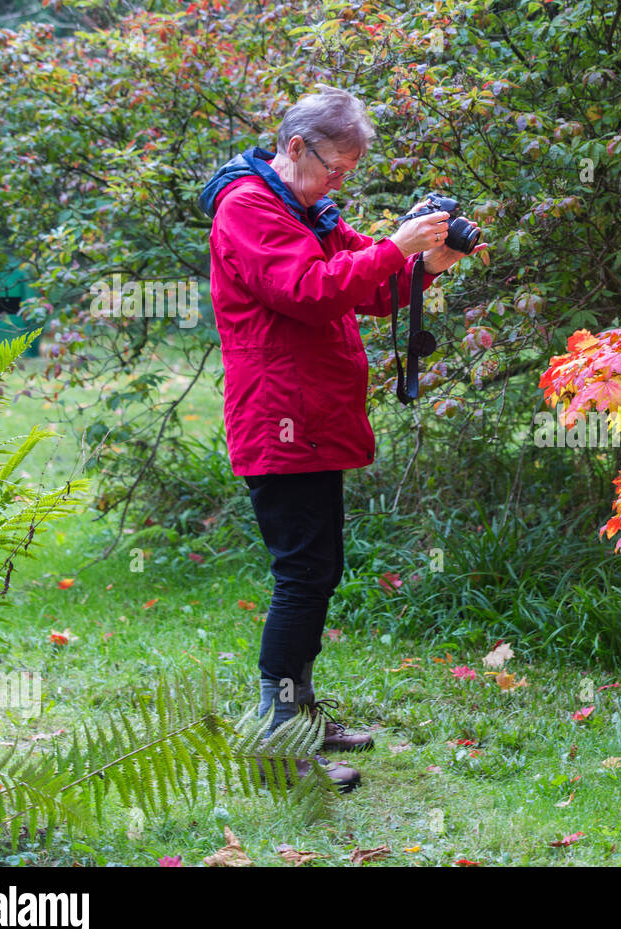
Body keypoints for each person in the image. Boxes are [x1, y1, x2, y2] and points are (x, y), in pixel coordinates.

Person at [197, 84, 484, 790]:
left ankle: (301, 714)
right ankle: (276, 736)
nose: (340, 183)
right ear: (295, 147)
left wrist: (430, 260)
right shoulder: (248, 209)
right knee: (301, 577)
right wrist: (393, 246)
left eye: (349, 173)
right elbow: (309, 289)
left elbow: (372, 287)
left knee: (319, 572)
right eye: (335, 169)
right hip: (279, 420)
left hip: (317, 418)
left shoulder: (306, 205)